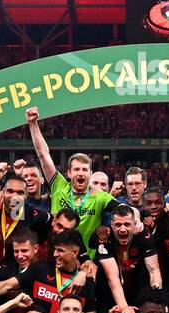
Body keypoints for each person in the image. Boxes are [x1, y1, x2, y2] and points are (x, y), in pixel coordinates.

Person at [27, 106, 114, 256]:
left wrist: (137, 220)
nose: (81, 173)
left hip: (86, 263)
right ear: (68, 173)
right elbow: (43, 154)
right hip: (56, 257)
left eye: (85, 170)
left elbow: (122, 208)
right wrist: (33, 124)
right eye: (77, 169)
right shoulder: (58, 185)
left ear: (90, 174)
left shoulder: (99, 196)